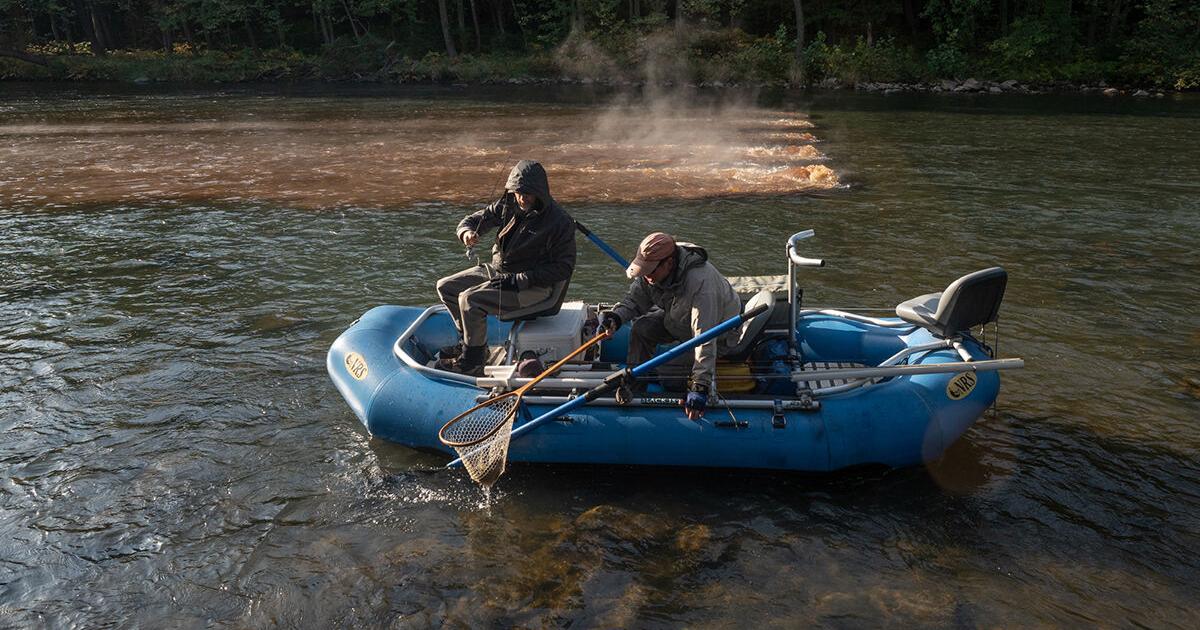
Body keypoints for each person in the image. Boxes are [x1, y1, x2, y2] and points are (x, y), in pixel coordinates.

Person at [434, 160, 576, 376]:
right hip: (500, 271)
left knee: (470, 299)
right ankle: (470, 345)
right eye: (518, 191)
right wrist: (468, 233)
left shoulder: (559, 222)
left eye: (528, 192)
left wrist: (519, 280)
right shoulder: (508, 205)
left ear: (540, 192)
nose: (522, 197)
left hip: (534, 287)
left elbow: (563, 268)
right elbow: (472, 220)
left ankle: (472, 363)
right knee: (446, 287)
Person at [599, 232, 741, 420]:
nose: (647, 276)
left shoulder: (701, 285)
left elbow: (704, 339)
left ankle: (667, 383)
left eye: (650, 271)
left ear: (669, 263)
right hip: (678, 318)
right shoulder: (655, 268)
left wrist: (700, 385)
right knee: (642, 328)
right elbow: (635, 299)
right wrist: (616, 318)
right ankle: (635, 388)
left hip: (716, 334)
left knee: (669, 375)